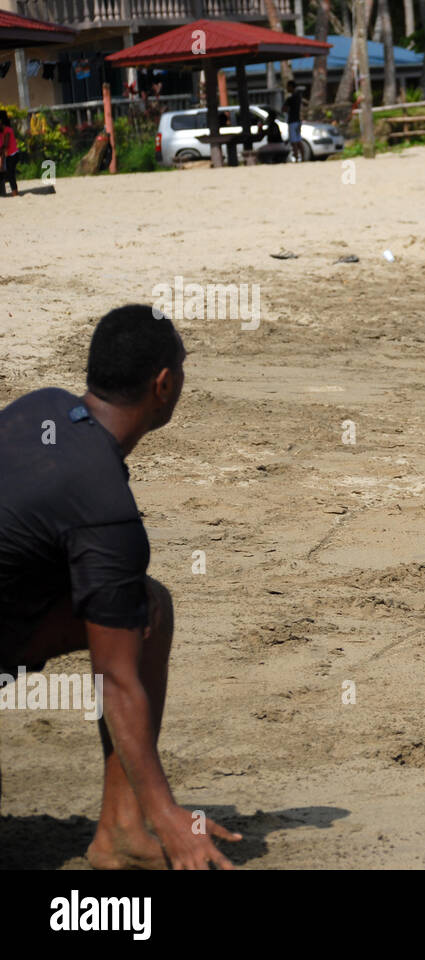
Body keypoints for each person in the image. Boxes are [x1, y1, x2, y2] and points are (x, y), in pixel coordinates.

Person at [0, 305, 243, 869]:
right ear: (164, 384)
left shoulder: (39, 408)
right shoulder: (107, 513)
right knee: (130, 623)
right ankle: (143, 821)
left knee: (144, 606)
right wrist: (170, 815)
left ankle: (121, 831)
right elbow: (116, 680)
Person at [284, 80, 305, 162]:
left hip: (292, 121)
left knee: (294, 141)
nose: (287, 88)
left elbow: (284, 109)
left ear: (291, 87)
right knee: (298, 140)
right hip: (298, 121)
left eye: (288, 86)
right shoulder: (298, 97)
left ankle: (296, 158)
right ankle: (302, 158)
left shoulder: (291, 98)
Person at [0, 110, 19, 198]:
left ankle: (15, 192)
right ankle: (13, 191)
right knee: (8, 174)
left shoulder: (7, 130)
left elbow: (6, 145)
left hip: (13, 155)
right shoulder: (2, 132)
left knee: (10, 174)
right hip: (8, 155)